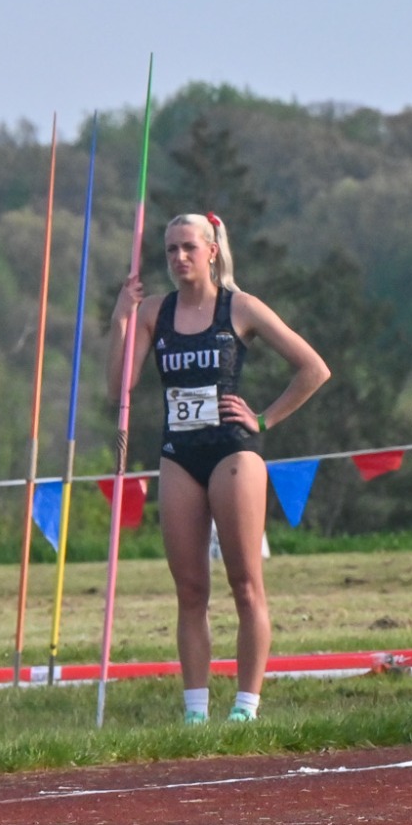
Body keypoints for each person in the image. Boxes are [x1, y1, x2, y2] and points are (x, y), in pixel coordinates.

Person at [108, 213, 328, 724]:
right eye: (169, 250)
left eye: (188, 247)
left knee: (245, 584)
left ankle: (246, 706)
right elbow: (118, 385)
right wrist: (121, 317)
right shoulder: (155, 313)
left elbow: (313, 368)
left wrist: (264, 419)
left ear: (211, 250)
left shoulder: (240, 307)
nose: (178, 258)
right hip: (179, 454)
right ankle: (194, 712)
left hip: (234, 452)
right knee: (190, 589)